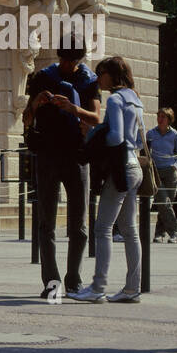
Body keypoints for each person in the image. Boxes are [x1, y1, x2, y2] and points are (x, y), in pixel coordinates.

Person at [23, 34, 102, 298]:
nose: (67, 65)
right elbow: (26, 118)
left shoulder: (89, 81)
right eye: (64, 59)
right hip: (46, 153)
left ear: (80, 60)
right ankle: (51, 283)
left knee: (78, 224)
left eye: (72, 61)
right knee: (46, 222)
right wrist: (37, 102)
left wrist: (72, 108)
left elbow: (96, 117)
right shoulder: (43, 77)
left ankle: (74, 279)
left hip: (77, 154)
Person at [69, 57, 145, 303]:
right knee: (130, 230)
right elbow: (140, 140)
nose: (98, 78)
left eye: (101, 73)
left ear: (112, 75)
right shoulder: (135, 99)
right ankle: (132, 288)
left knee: (102, 228)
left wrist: (93, 133)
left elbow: (115, 137)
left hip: (120, 168)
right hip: (135, 166)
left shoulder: (115, 99)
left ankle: (98, 287)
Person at [148, 107, 177, 243]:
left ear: (169, 119)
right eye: (159, 116)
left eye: (163, 117)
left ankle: (159, 233)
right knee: (164, 202)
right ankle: (176, 233)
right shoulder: (151, 133)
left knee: (166, 205)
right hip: (156, 172)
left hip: (170, 172)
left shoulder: (175, 135)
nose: (160, 119)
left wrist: (175, 166)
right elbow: (142, 147)